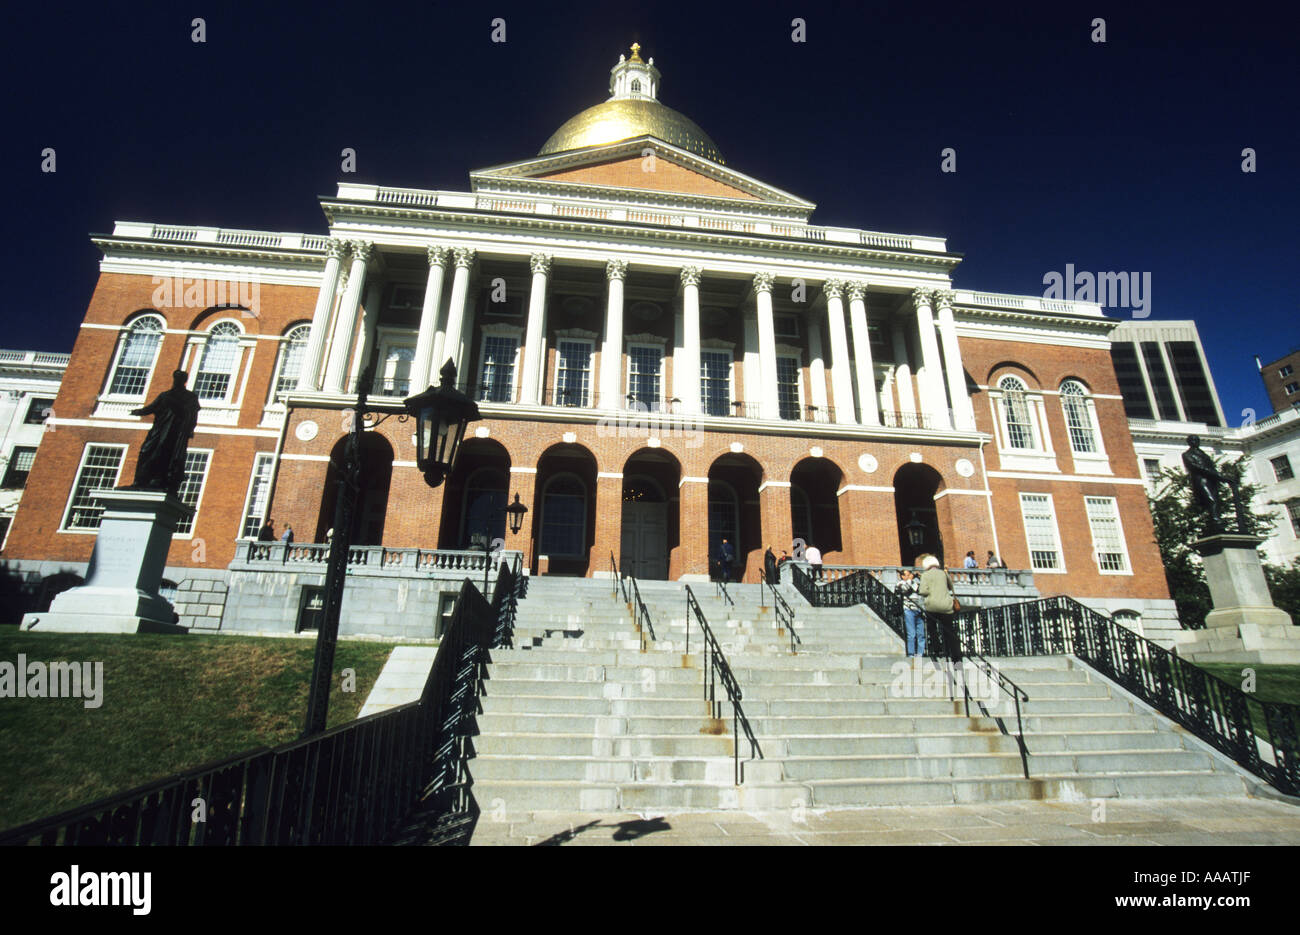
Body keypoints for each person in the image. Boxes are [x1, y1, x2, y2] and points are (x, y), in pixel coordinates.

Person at [918, 554, 960, 663]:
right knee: (949, 630)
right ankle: (954, 654)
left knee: (932, 629)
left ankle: (937, 649)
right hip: (946, 606)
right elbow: (951, 586)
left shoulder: (925, 575)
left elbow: (923, 591)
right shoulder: (943, 573)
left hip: (932, 606)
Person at [894, 563, 926, 656]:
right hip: (908, 610)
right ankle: (911, 653)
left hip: (918, 609)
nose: (909, 576)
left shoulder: (914, 583)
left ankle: (920, 653)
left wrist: (920, 577)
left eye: (910, 575)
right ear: (902, 576)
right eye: (907, 575)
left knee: (921, 634)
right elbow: (905, 591)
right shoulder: (899, 584)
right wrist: (910, 581)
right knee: (911, 634)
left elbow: (920, 590)